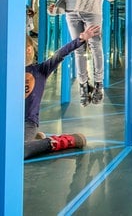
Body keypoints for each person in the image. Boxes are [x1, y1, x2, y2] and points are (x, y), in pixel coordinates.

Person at [48, 0, 117, 106]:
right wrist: (56, 8)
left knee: (96, 47)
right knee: (77, 49)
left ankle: (99, 84)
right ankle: (83, 86)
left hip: (92, 12)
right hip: (71, 13)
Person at [24, 26, 99, 159]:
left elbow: (60, 54)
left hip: (28, 122)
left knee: (20, 151)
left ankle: (66, 140)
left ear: (28, 50)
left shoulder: (40, 70)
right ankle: (35, 141)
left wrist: (80, 39)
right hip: (9, 121)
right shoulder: (8, 72)